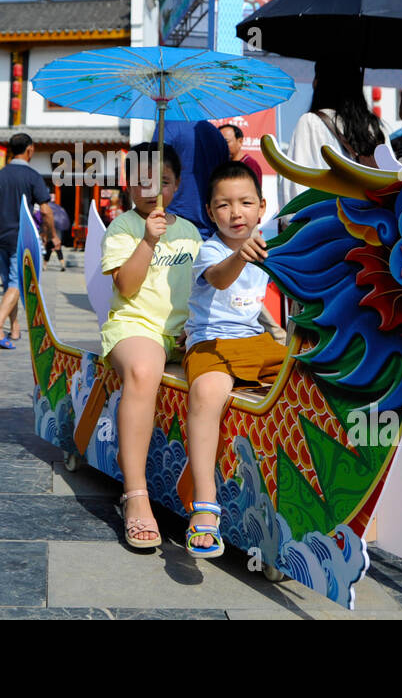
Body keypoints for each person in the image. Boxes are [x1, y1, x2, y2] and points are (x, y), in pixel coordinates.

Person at [181, 160, 288, 558]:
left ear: (262, 207)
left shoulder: (268, 239)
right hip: (211, 344)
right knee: (207, 394)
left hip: (256, 342)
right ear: (210, 212)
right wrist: (242, 255)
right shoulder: (209, 250)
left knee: (308, 371)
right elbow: (221, 278)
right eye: (224, 205)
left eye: (245, 202)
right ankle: (205, 507)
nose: (235, 212)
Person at [101, 142, 202, 550]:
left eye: (162, 181)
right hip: (133, 327)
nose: (152, 189)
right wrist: (146, 241)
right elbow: (125, 286)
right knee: (144, 370)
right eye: (142, 180)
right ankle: (136, 494)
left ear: (177, 186)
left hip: (181, 334)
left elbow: (199, 290)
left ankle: (206, 494)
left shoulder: (191, 232)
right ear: (128, 184)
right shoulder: (123, 227)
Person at [280, 63, 390, 212]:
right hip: (372, 226)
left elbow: (297, 188)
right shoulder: (377, 128)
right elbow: (390, 180)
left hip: (329, 224)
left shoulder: (311, 122)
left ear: (319, 84)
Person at [0, 132, 55, 349]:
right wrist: (51, 234)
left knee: (8, 284)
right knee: (17, 284)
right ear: (30, 150)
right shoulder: (32, 176)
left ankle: (14, 329)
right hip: (20, 237)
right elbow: (45, 210)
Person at [45, 199, 70, 269]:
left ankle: (44, 265)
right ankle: (62, 264)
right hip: (57, 233)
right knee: (57, 249)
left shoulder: (50, 216)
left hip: (52, 234)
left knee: (49, 250)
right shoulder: (60, 217)